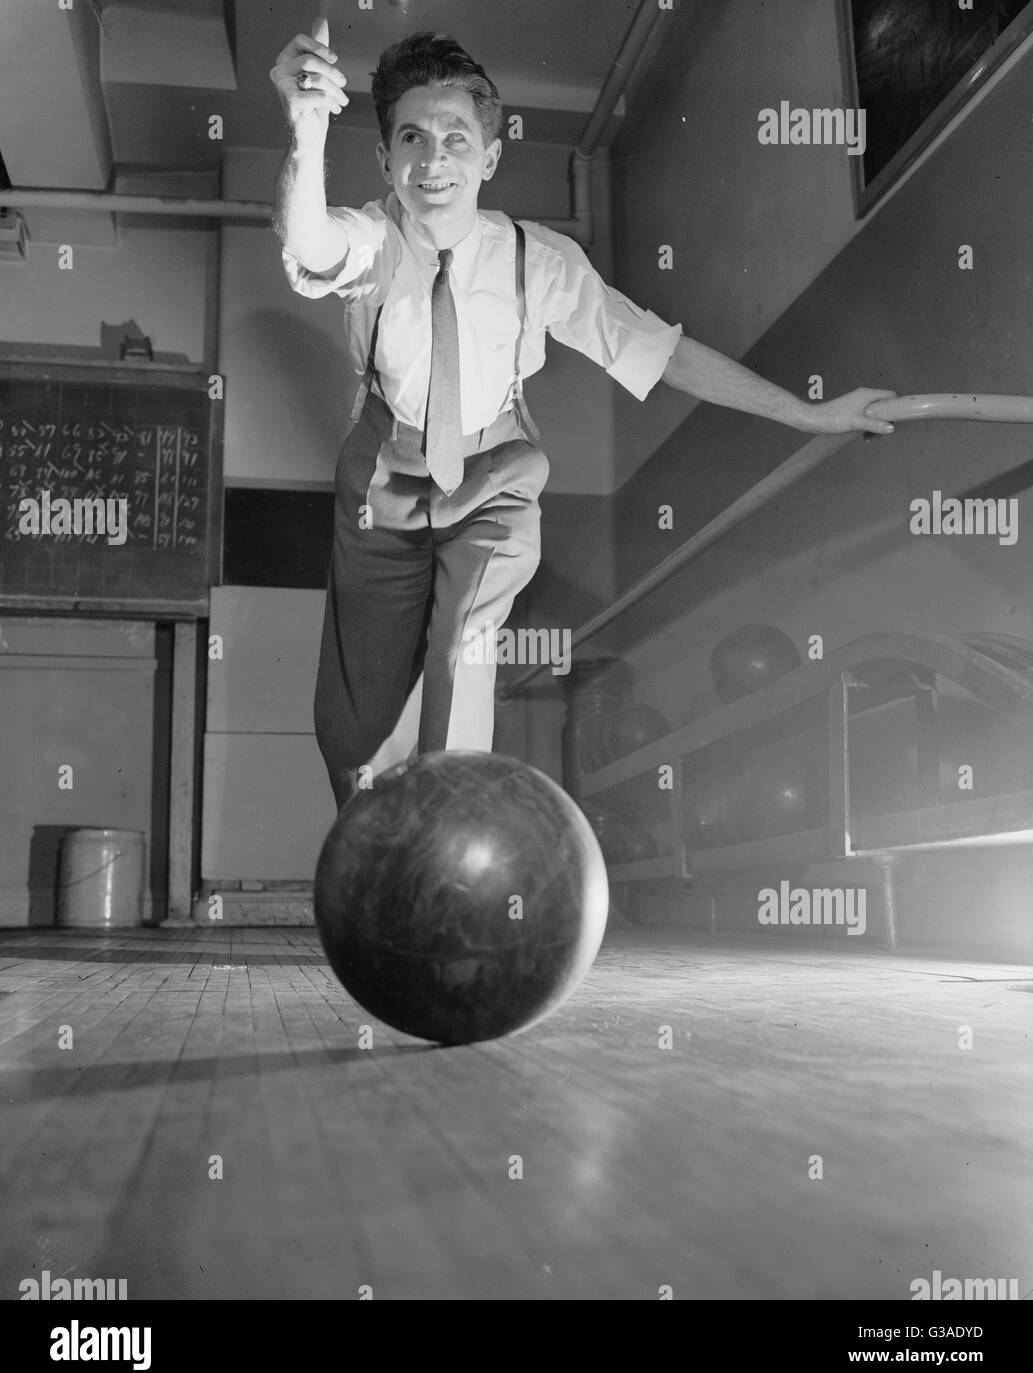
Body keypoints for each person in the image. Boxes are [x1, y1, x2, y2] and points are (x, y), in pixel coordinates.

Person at [270, 21, 896, 809]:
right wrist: (305, 126)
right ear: (385, 158)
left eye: (456, 140)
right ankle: (377, 831)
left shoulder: (541, 262)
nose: (434, 162)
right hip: (383, 478)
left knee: (463, 636)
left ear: (489, 158)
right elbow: (313, 245)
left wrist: (809, 415)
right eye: (412, 139)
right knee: (356, 729)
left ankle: (446, 819)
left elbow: (663, 353)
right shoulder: (373, 240)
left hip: (492, 473)